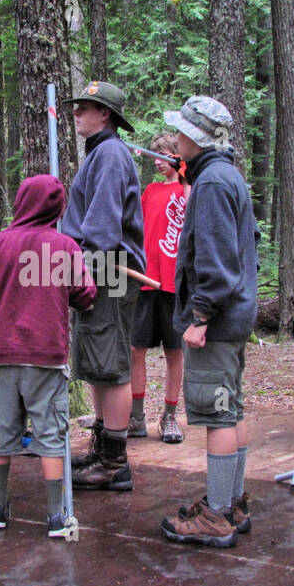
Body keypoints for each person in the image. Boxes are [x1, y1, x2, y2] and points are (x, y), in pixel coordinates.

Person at [0, 175, 96, 537]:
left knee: (1, 430)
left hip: (3, 355)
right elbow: (84, 293)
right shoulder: (65, 246)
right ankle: (56, 516)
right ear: (57, 207)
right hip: (47, 355)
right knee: (51, 432)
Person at [157, 97, 259, 548]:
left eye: (181, 133)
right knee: (230, 406)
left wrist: (200, 316)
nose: (176, 140)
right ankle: (231, 503)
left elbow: (217, 261)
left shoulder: (214, 183)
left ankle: (217, 516)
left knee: (217, 413)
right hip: (233, 315)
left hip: (217, 319)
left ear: (195, 138)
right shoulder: (225, 175)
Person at [60, 81, 145, 491]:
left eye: (86, 107)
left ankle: (115, 462)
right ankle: (102, 448)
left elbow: (103, 224)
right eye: (76, 108)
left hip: (109, 267)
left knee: (110, 361)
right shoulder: (100, 152)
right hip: (99, 265)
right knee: (97, 359)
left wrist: (84, 270)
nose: (77, 113)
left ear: (105, 114)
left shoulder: (110, 153)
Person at [129, 133, 188, 444]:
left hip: (175, 284)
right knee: (136, 348)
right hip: (146, 280)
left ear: (177, 156)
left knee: (174, 350)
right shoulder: (149, 191)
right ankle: (136, 415)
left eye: (163, 154)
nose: (157, 161)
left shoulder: (188, 189)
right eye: (154, 155)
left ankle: (169, 416)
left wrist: (184, 174)